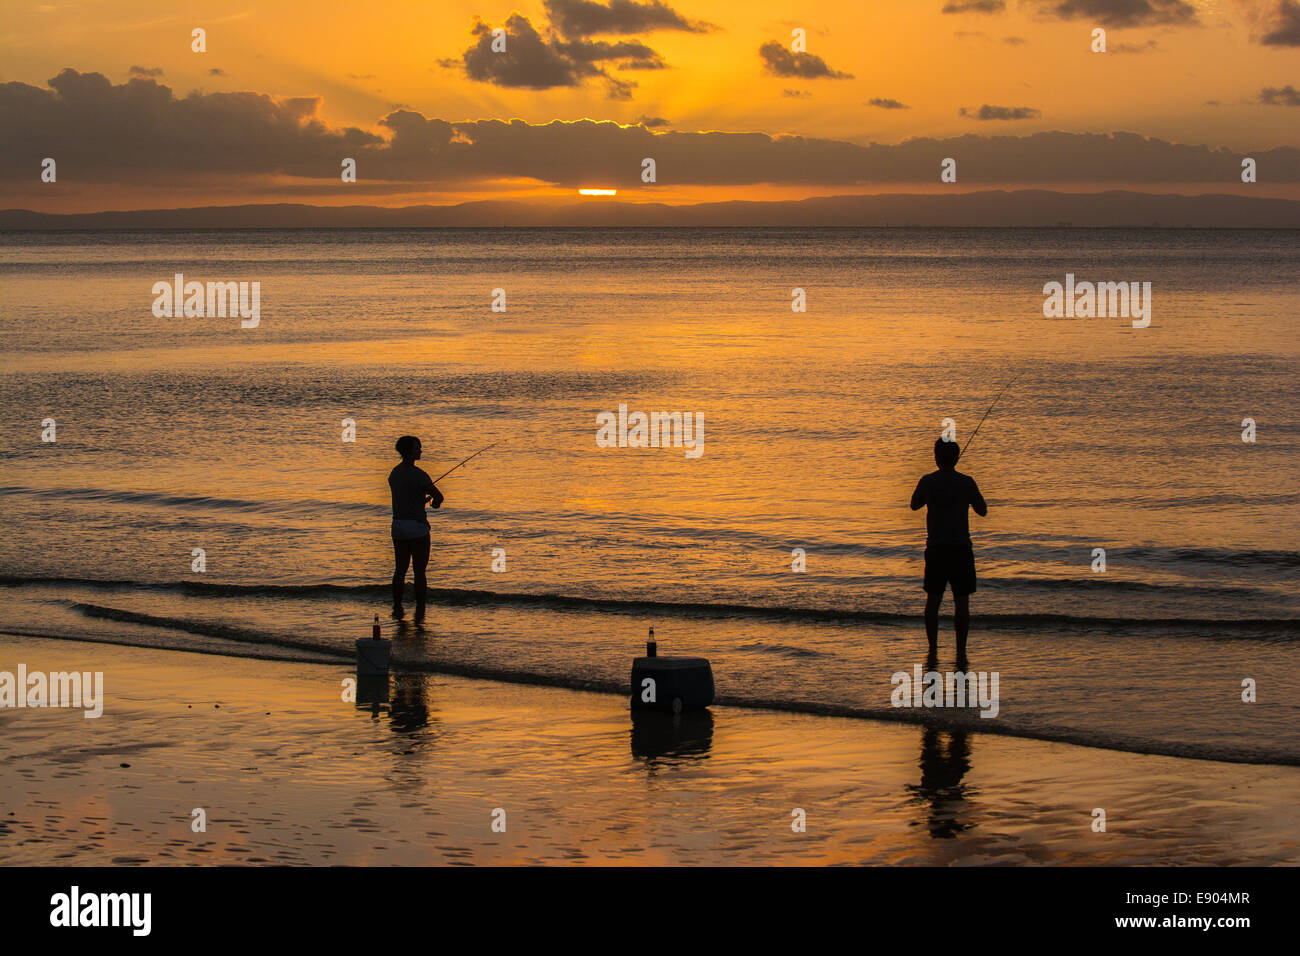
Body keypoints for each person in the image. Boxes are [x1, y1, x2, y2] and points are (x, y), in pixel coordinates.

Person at [910, 438, 987, 655]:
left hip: (936, 548)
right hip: (961, 548)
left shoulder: (927, 481)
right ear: (956, 458)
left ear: (936, 457)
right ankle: (960, 650)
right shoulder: (967, 482)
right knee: (962, 601)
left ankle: (933, 648)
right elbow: (982, 510)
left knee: (933, 599)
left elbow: (914, 505)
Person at [388, 435, 443, 621]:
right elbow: (439, 497)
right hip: (417, 528)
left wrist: (421, 500)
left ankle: (397, 606)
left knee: (400, 570)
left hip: (398, 526)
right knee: (419, 571)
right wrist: (433, 503)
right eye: (417, 448)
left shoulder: (393, 474)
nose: (420, 450)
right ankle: (420, 609)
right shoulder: (420, 474)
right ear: (409, 451)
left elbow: (406, 497)